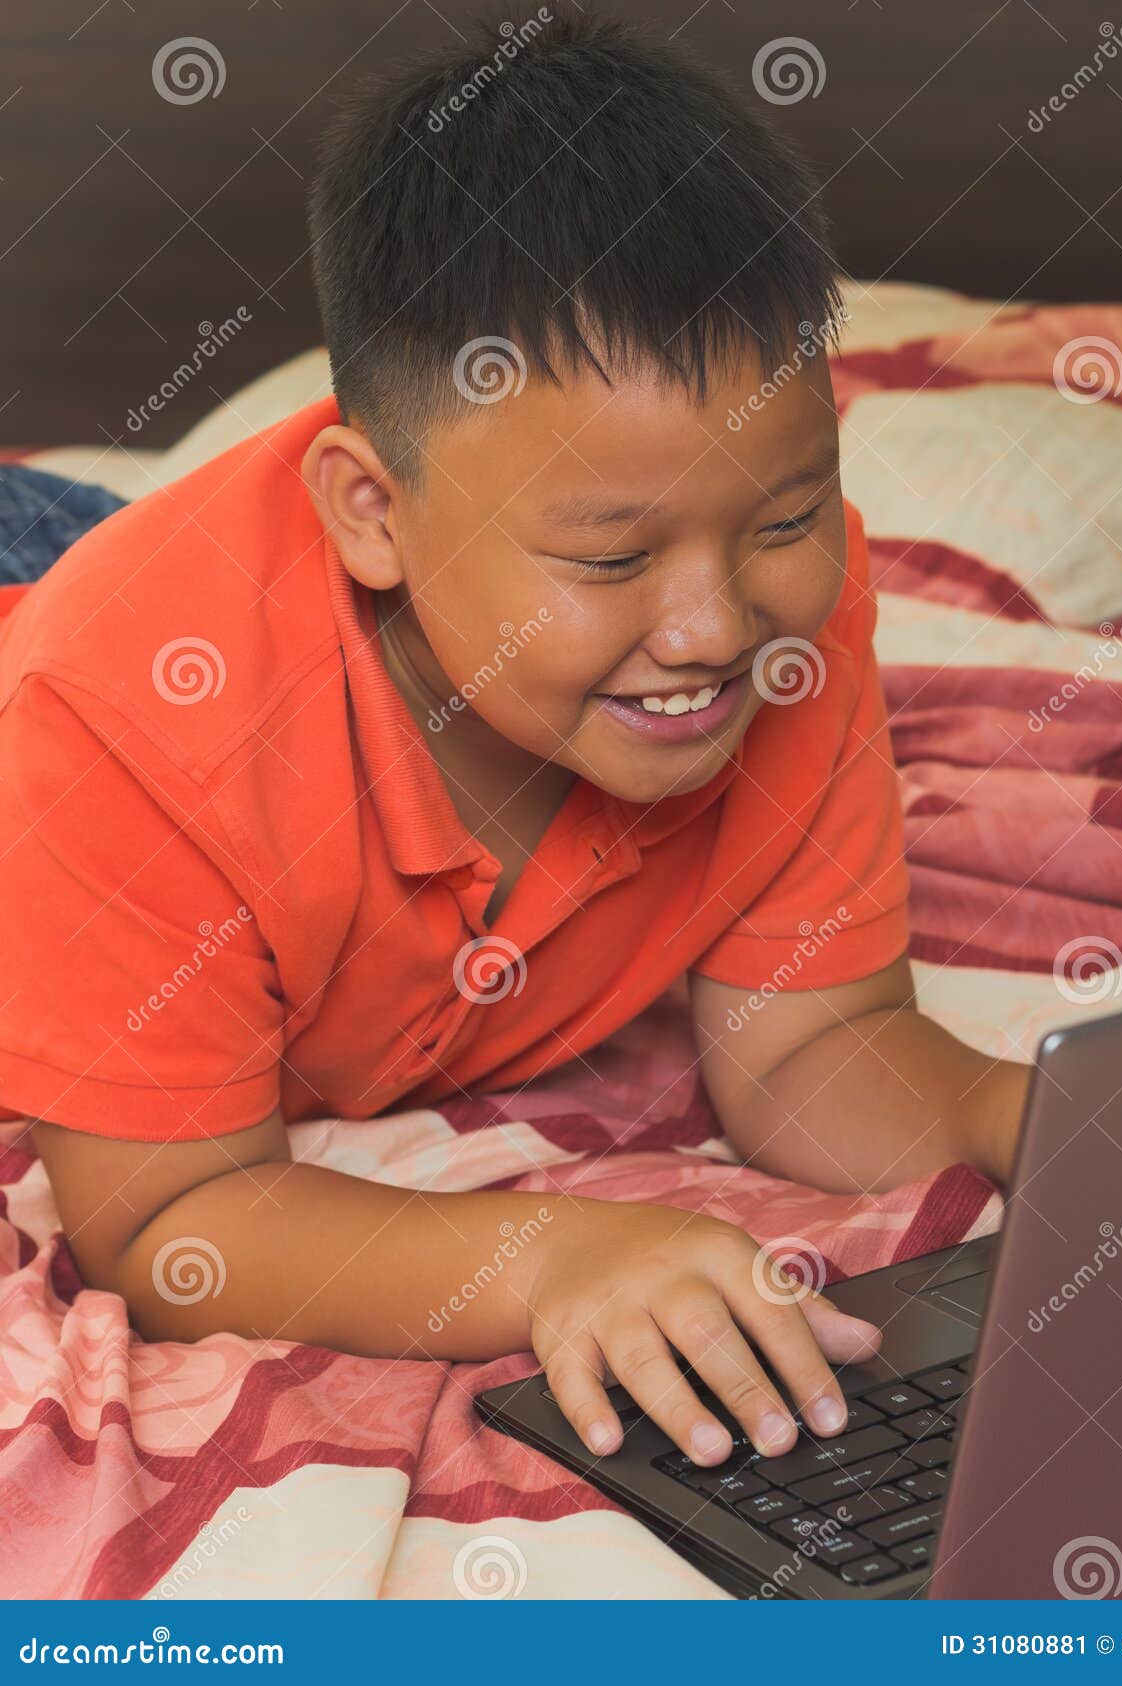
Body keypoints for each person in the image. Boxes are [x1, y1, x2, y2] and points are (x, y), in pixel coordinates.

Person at [0, 7, 1027, 1473]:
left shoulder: (784, 619)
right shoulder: (120, 718)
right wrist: (551, 1255)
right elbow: (170, 1225)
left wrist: (1020, 1111)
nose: (711, 627)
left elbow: (813, 1042)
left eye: (785, 520)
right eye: (611, 560)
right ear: (372, 513)